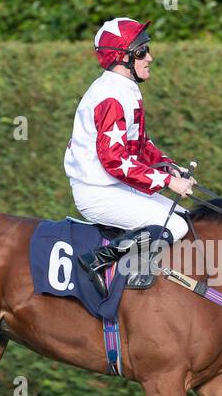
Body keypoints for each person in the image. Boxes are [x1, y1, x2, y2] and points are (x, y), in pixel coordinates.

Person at [64, 17, 196, 297]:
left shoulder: (124, 87)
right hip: (97, 192)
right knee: (173, 224)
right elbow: (114, 160)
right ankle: (98, 262)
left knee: (184, 216)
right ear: (122, 58)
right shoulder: (110, 95)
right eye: (141, 52)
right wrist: (165, 182)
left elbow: (139, 143)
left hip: (114, 186)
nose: (150, 57)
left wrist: (170, 167)